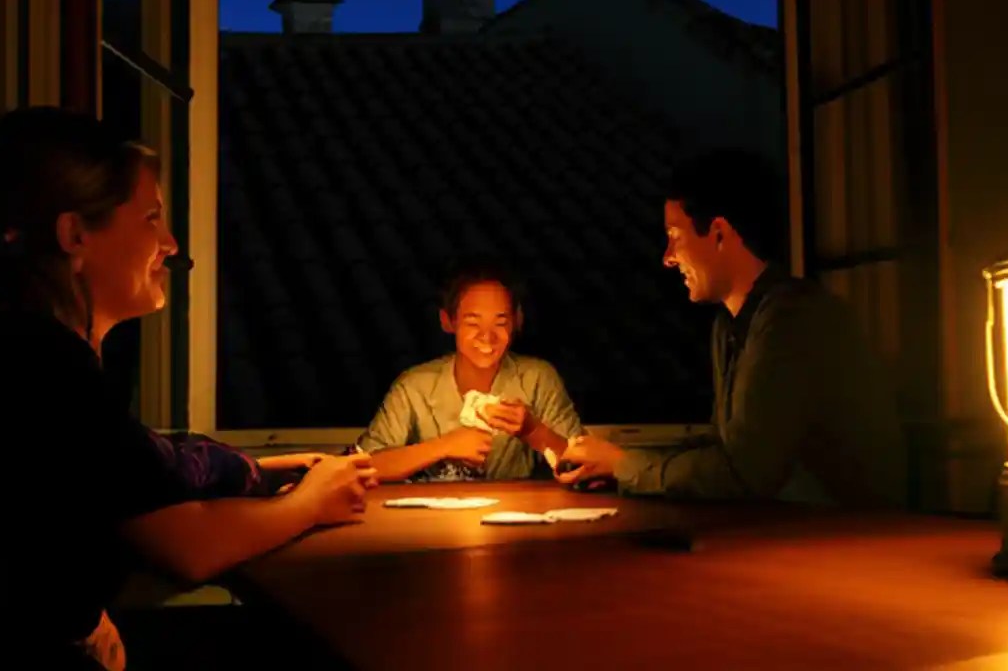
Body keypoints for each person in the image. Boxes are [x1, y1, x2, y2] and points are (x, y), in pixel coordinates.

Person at [0, 107, 377, 670]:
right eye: (151, 218)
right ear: (75, 234)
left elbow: (120, 475)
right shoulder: (39, 362)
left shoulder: (10, 342)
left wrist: (267, 470)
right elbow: (186, 546)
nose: (170, 244)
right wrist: (311, 504)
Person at [558, 147, 906, 507]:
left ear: (720, 233)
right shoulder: (730, 325)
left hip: (845, 538)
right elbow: (724, 449)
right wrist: (617, 462)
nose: (668, 257)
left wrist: (623, 465)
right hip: (782, 532)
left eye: (675, 236)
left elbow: (746, 472)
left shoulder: (793, 318)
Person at [356, 260, 583, 482]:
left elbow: (584, 464)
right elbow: (364, 465)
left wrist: (533, 431)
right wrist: (443, 446)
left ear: (517, 321)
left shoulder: (536, 378)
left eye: (500, 323)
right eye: (473, 323)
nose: (487, 336)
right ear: (448, 321)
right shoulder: (415, 387)